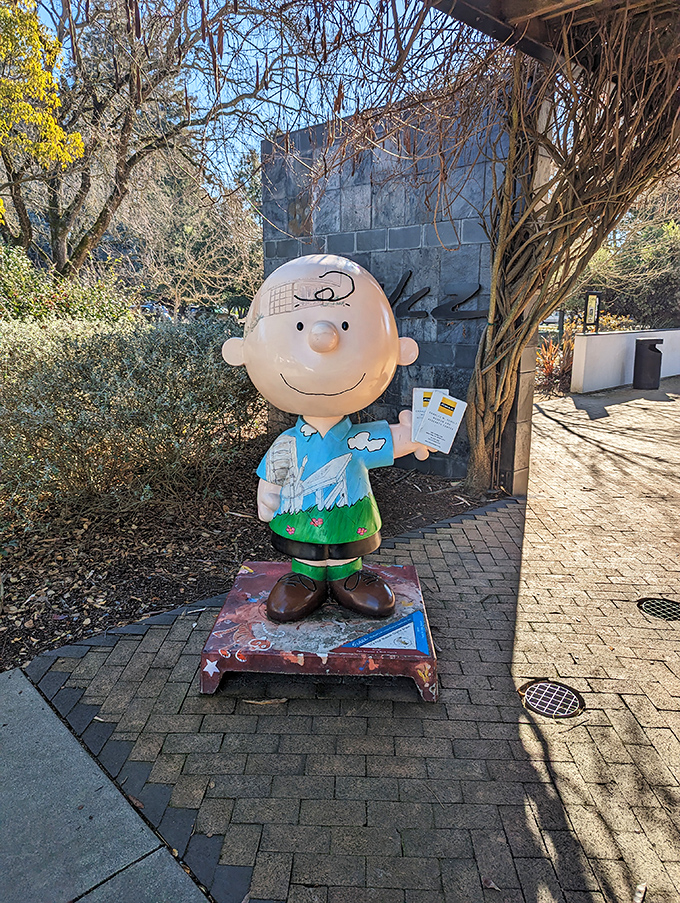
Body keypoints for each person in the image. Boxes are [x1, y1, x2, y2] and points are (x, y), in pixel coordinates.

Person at [222, 254, 432, 623]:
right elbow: (275, 470)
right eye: (301, 326)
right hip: (300, 517)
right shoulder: (289, 442)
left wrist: (414, 435)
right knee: (303, 549)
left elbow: (387, 440)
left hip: (349, 516)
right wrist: (267, 492)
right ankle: (305, 577)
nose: (323, 338)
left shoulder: (356, 439)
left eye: (344, 326)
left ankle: (348, 576)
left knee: (347, 547)